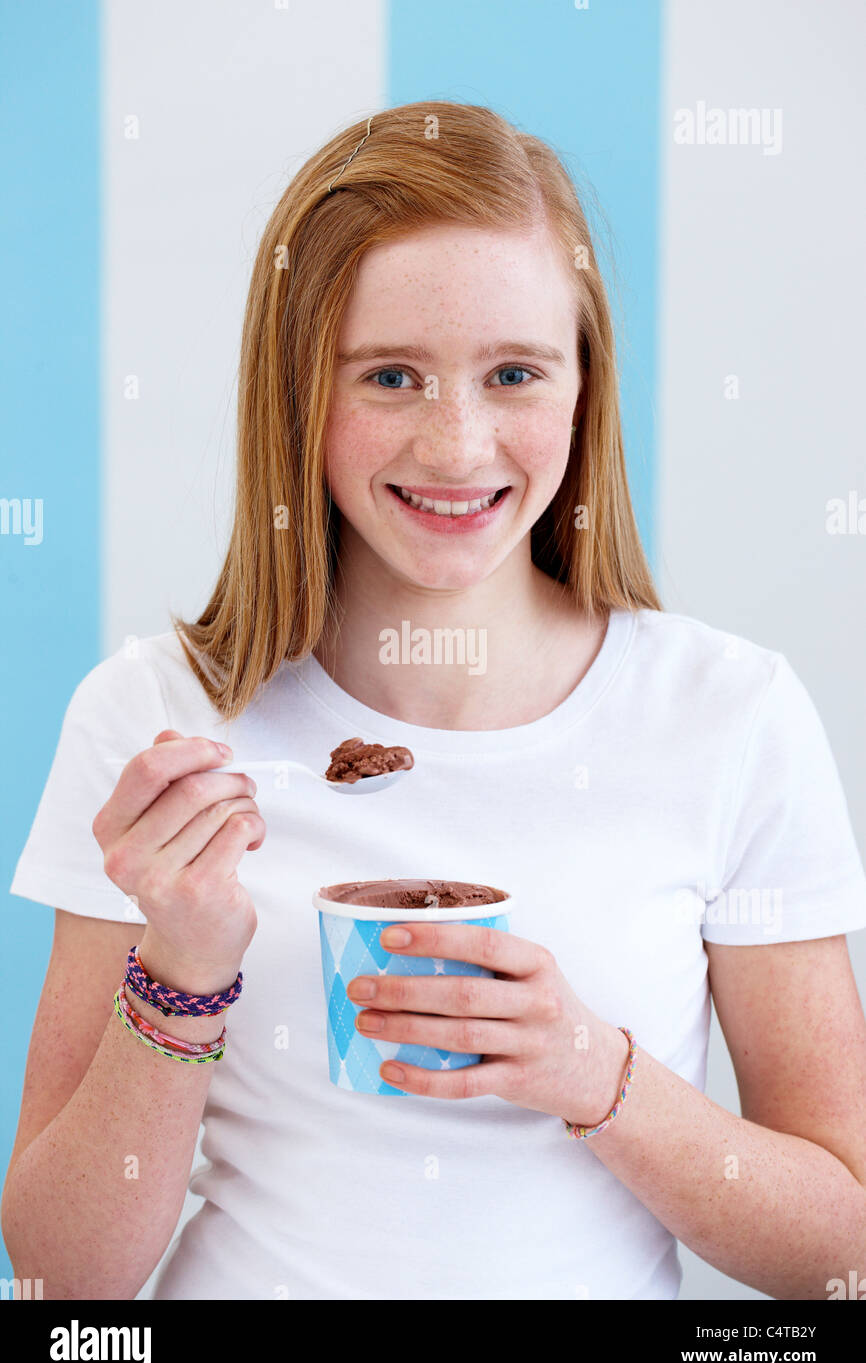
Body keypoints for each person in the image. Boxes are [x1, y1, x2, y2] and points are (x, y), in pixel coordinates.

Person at [4, 101, 866, 1302]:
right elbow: (61, 1283)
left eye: (513, 373)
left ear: (581, 386)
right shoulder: (150, 722)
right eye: (391, 376)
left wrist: (593, 1073)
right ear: (297, 391)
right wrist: (183, 967)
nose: (458, 446)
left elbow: (841, 1254)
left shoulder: (729, 717)